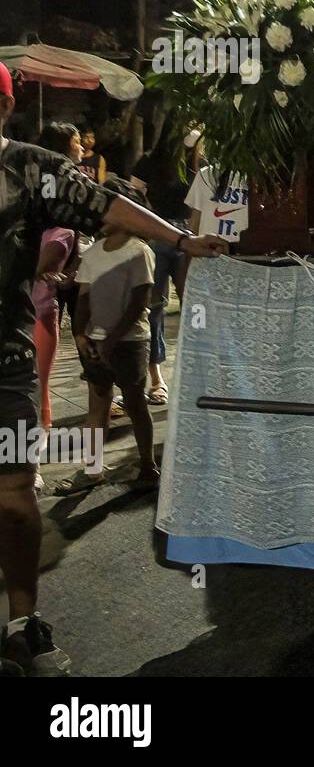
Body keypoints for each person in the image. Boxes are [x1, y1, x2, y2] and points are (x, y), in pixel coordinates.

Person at [0, 65, 228, 677]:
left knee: (16, 492)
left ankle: (23, 625)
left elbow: (111, 209)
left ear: (5, 107)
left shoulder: (27, 168)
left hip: (6, 358)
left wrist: (182, 240)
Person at [56, 178, 158, 496]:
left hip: (130, 342)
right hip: (97, 341)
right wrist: (81, 335)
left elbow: (140, 301)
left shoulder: (139, 251)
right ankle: (93, 468)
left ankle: (147, 465)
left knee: (135, 401)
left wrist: (111, 339)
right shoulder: (95, 252)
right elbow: (83, 297)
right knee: (97, 406)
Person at [31, 124, 82, 454]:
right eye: (77, 141)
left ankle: (33, 458)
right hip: (26, 309)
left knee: (38, 384)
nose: (82, 147)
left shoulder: (64, 223)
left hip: (40, 308)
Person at [131, 136, 194, 405]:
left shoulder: (197, 161)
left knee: (194, 305)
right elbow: (133, 195)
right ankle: (156, 377)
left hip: (191, 235)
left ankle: (193, 371)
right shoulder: (150, 160)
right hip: (159, 233)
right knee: (154, 307)